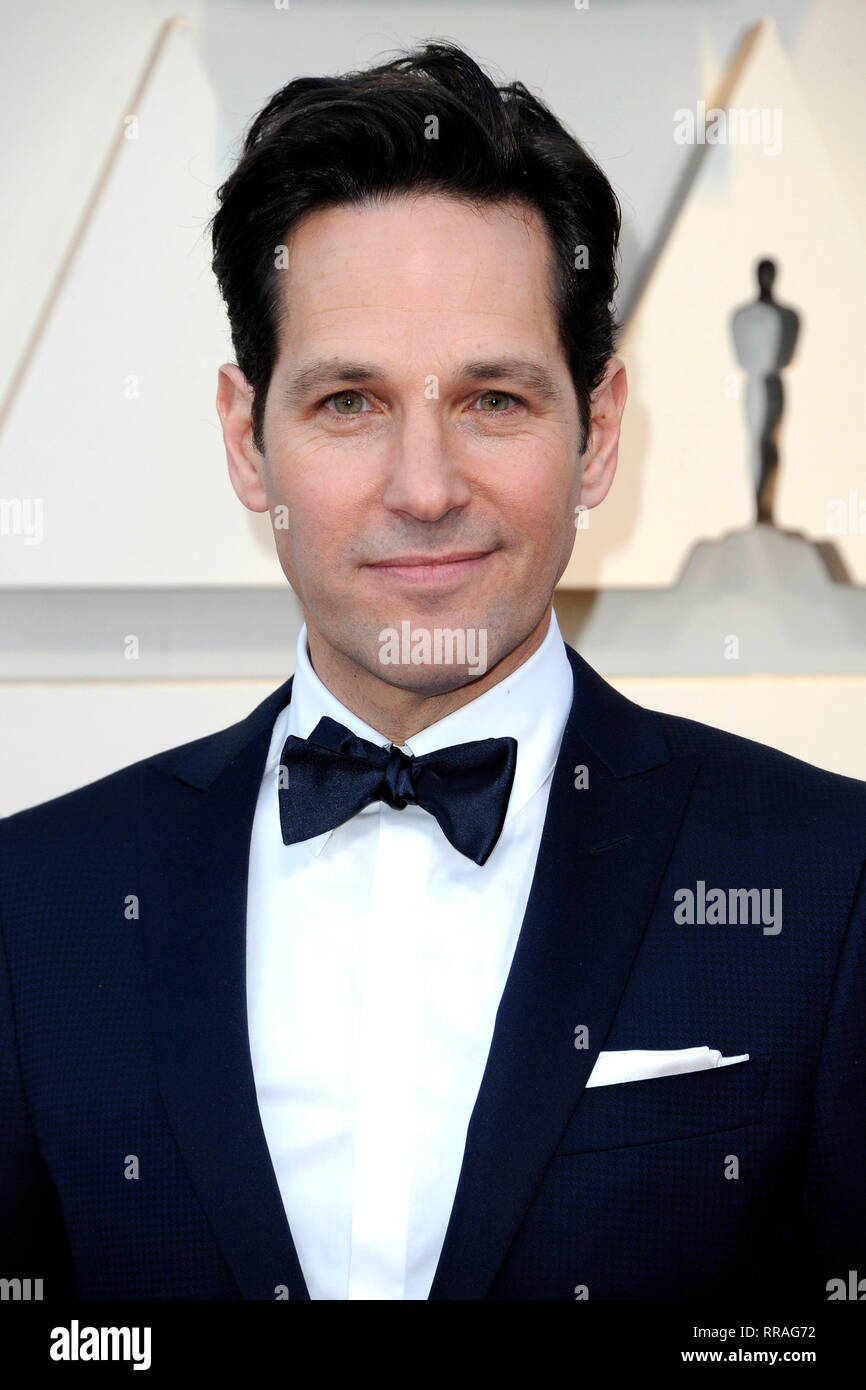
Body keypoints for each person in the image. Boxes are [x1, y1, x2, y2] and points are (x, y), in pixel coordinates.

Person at [1, 40, 864, 1303]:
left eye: (493, 400)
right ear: (248, 441)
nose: (423, 487)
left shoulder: (826, 882)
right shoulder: (36, 907)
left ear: (597, 431)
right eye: (348, 402)